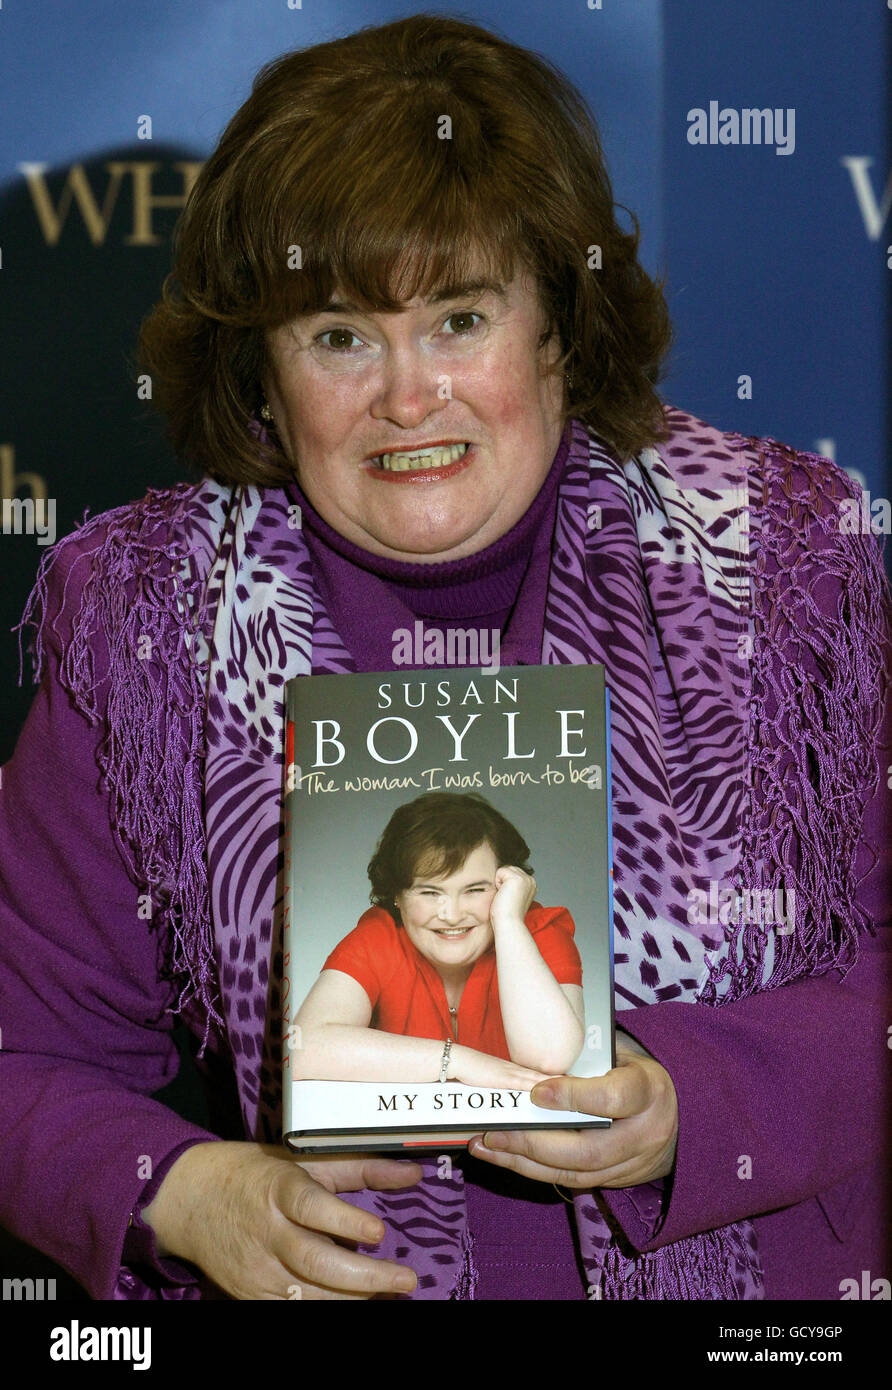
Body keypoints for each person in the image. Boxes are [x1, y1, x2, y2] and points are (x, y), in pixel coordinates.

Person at [1, 13, 889, 1302]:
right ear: (262, 370)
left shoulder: (777, 556)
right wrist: (182, 1194)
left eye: (460, 317)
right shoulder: (147, 616)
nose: (408, 399)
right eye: (340, 336)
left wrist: (693, 1099)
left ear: (559, 332)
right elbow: (26, 1050)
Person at [294, 792, 585, 1082]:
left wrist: (508, 920)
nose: (452, 914)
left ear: (507, 886)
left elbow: (550, 1057)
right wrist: (459, 1061)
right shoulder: (379, 938)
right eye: (430, 892)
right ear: (397, 895)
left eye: (475, 890)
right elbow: (302, 1049)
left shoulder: (537, 932)